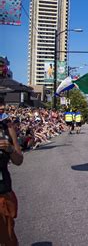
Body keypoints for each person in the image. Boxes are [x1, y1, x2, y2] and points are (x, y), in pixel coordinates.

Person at [0, 102, 24, 245]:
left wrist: (9, 149)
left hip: (3, 190)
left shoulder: (8, 128)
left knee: (7, 237)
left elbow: (19, 160)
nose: (2, 108)